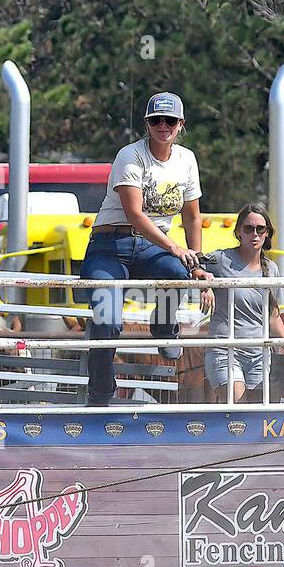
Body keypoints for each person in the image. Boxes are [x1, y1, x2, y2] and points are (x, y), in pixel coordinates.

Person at [81, 92, 204, 407]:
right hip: (110, 244)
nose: (163, 126)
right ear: (147, 124)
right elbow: (135, 213)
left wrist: (197, 262)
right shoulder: (130, 155)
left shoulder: (187, 159)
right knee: (107, 318)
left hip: (152, 245)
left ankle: (163, 324)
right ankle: (100, 391)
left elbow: (191, 215)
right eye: (156, 120)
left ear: (181, 125)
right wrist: (176, 247)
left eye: (170, 120)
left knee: (180, 273)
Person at [198, 203, 284, 403]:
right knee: (237, 410)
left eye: (261, 229)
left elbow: (272, 315)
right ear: (239, 232)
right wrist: (204, 284)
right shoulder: (221, 259)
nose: (255, 234)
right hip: (225, 350)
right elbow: (192, 263)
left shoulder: (272, 268)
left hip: (259, 354)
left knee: (258, 416)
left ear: (267, 233)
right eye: (249, 228)